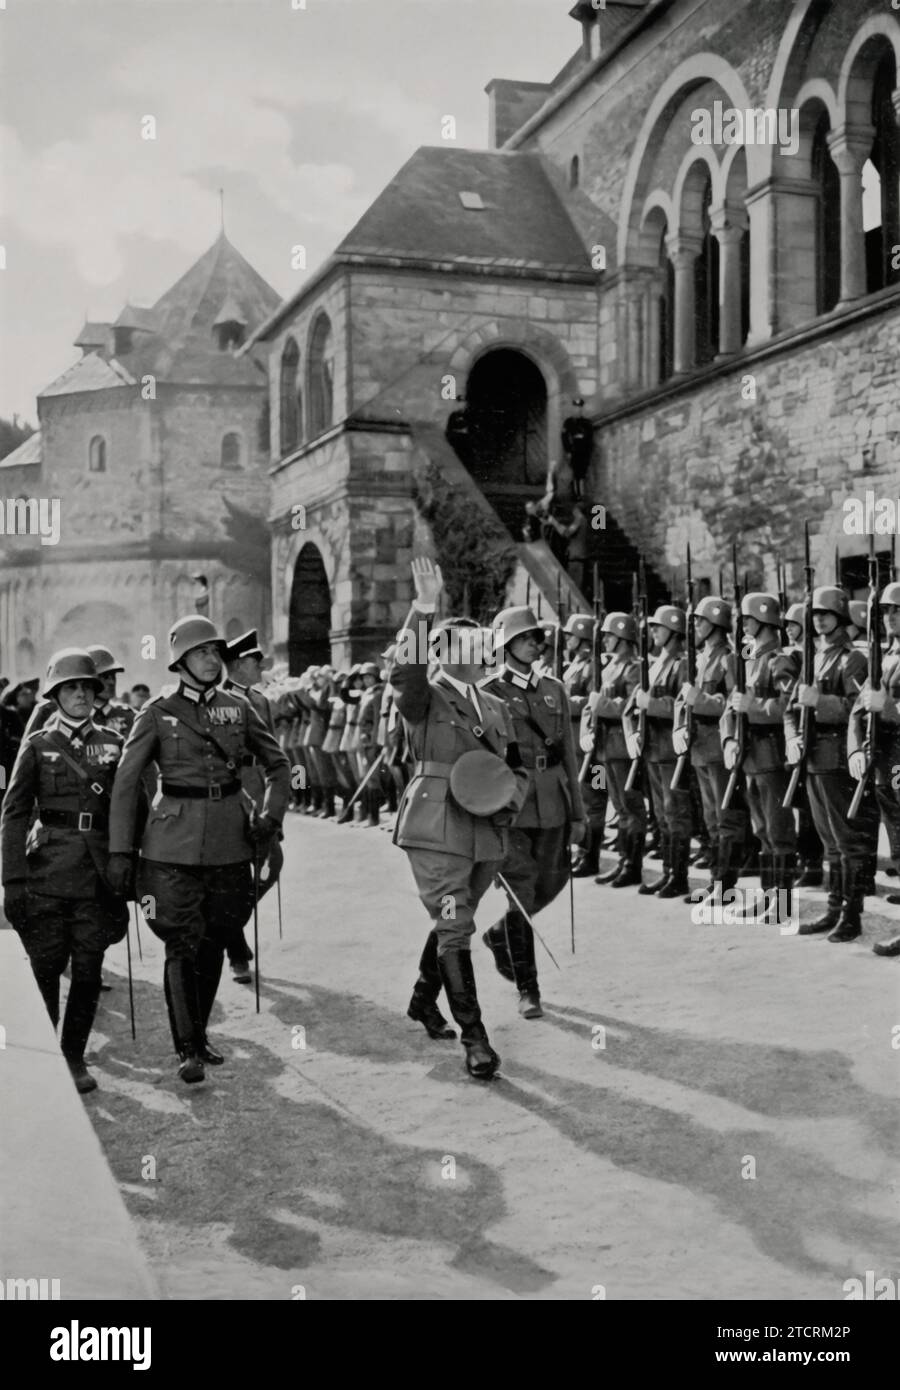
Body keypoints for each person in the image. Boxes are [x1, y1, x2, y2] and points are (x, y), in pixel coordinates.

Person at [106, 616, 290, 1084]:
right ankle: (186, 1048)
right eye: (203, 652)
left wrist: (271, 817)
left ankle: (201, 1035)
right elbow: (126, 785)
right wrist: (121, 851)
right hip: (171, 844)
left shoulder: (239, 707)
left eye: (216, 652)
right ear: (181, 660)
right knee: (180, 941)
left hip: (231, 840)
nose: (213, 659)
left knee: (215, 937)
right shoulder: (156, 712)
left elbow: (279, 765)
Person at [390, 558, 527, 1080]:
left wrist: (509, 806)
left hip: (485, 829)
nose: (477, 651)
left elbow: (512, 768)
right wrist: (424, 608)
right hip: (438, 827)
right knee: (454, 925)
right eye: (462, 644)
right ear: (442, 654)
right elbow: (403, 669)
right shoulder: (424, 696)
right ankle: (475, 1038)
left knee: (458, 916)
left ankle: (424, 999)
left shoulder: (494, 705)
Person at [0, 649, 129, 1094]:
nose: (80, 694)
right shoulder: (37, 745)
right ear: (55, 695)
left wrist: (126, 862)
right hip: (48, 876)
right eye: (71, 687)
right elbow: (14, 814)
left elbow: (133, 807)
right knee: (47, 967)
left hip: (97, 875)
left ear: (96, 693)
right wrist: (12, 879)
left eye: (87, 687)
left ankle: (74, 1056)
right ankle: (45, 1056)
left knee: (89, 971)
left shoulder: (115, 742)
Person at [481, 606, 585, 1017]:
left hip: (554, 799)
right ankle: (529, 988)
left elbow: (571, 756)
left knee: (553, 880)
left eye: (536, 638)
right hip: (514, 804)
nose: (534, 644)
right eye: (525, 638)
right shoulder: (488, 690)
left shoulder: (554, 689)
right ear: (505, 643)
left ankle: (499, 934)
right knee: (521, 892)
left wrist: (578, 813)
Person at [785, 587, 878, 942]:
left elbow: (857, 709)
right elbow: (792, 708)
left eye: (826, 613)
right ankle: (834, 906)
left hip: (837, 758)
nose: (819, 619)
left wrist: (819, 701)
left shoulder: (851, 658)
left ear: (840, 617)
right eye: (815, 614)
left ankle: (851, 916)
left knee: (847, 841)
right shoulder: (814, 656)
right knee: (829, 841)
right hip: (810, 759)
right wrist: (793, 735)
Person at [722, 593, 799, 924]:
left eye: (748, 618)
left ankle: (781, 904)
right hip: (750, 756)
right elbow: (731, 704)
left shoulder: (778, 660)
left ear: (765, 620)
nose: (744, 624)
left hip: (771, 755)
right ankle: (771, 899)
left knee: (778, 829)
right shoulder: (749, 659)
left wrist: (751, 708)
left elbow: (787, 706)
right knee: (762, 829)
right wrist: (728, 738)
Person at [674, 596, 748, 907]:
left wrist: (699, 700)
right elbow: (682, 699)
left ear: (716, 623)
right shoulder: (699, 658)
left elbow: (731, 702)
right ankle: (717, 881)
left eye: (700, 621)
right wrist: (680, 724)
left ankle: (725, 885)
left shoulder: (728, 659)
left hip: (719, 747)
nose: (695, 626)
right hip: (699, 749)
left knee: (725, 817)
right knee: (710, 817)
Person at [220, 628, 285, 984]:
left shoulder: (261, 701)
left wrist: (275, 808)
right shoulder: (216, 700)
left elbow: (274, 756)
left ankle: (229, 926)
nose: (260, 666)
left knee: (271, 864)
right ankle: (235, 948)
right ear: (239, 664)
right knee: (232, 872)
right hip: (231, 792)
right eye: (255, 661)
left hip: (259, 790)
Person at [849, 579, 900, 956]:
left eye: (896, 610)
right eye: (884, 610)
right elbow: (858, 709)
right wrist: (855, 749)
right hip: (885, 765)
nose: (889, 617)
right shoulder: (885, 656)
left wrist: (889, 709)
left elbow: (882, 706)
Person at [627, 604, 691, 897]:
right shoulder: (654, 663)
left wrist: (648, 705)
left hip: (669, 750)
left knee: (674, 812)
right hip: (651, 748)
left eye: (658, 627)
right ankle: (667, 871)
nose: (653, 631)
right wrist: (634, 730)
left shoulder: (682, 663)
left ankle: (678, 875)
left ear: (674, 630)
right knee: (662, 814)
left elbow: (681, 705)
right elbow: (632, 704)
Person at [590, 611, 646, 888]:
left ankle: (633, 866)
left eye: (610, 635)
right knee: (620, 807)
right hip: (606, 749)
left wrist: (603, 706)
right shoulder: (610, 666)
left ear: (623, 636)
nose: (606, 640)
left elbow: (631, 706)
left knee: (631, 806)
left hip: (624, 747)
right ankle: (624, 860)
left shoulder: (633, 667)